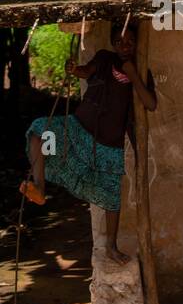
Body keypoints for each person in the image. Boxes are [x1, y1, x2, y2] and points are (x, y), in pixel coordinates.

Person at [21, 22, 157, 264]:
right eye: (118, 42)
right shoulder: (105, 58)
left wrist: (134, 74)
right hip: (79, 128)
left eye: (129, 42)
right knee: (40, 130)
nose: (124, 46)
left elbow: (150, 104)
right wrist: (74, 69)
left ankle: (111, 247)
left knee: (111, 196)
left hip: (109, 144)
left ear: (137, 43)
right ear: (112, 44)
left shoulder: (141, 70)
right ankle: (39, 186)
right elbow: (86, 71)